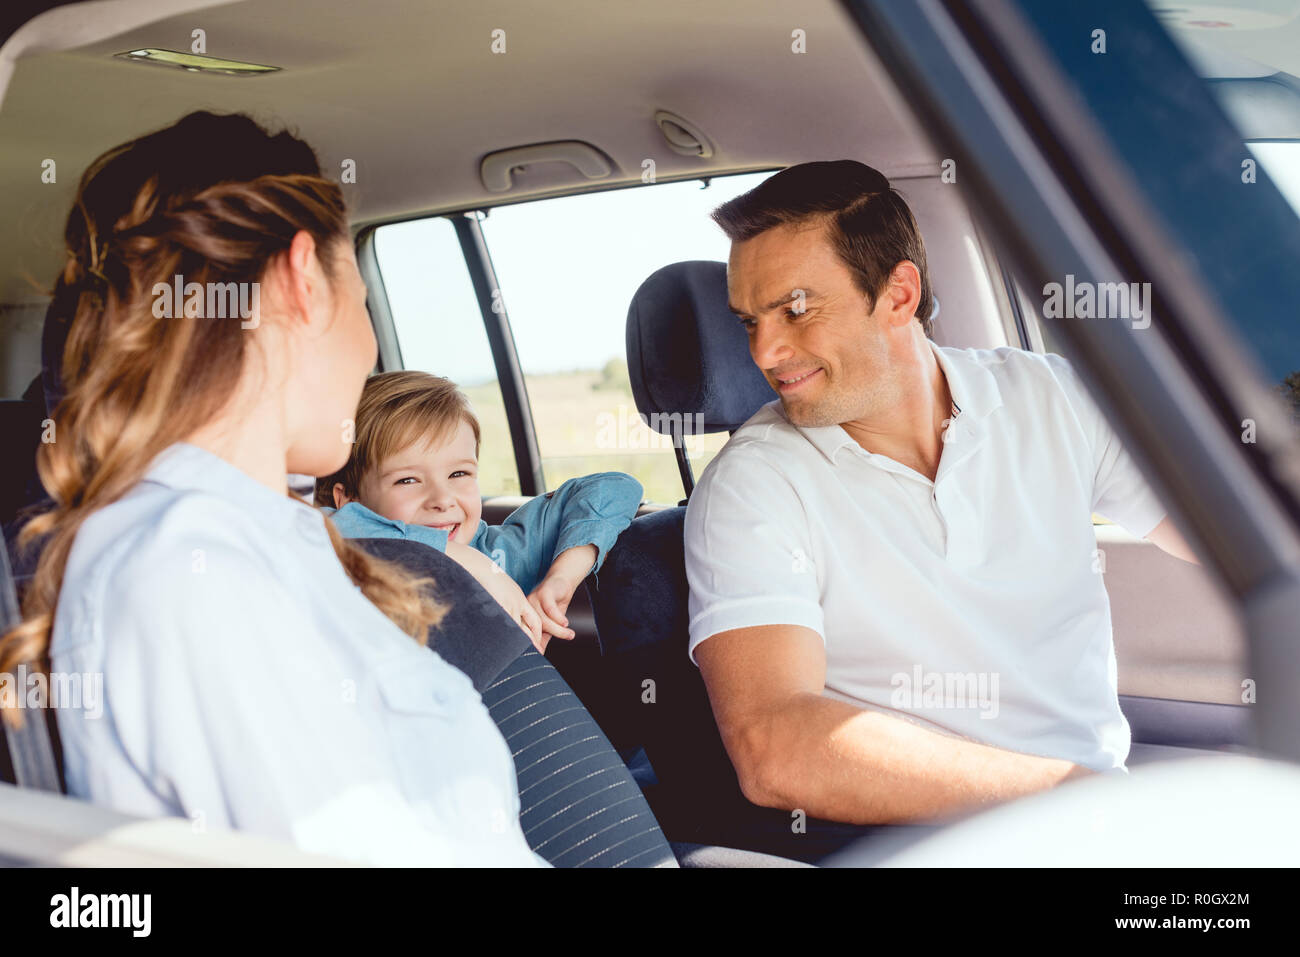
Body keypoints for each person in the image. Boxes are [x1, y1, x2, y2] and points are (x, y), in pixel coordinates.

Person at [0, 111, 544, 866]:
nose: (370, 345)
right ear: (302, 280)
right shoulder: (194, 568)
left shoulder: (251, 537)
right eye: (361, 297)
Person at [684, 160, 1200, 828]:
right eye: (750, 321)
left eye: (796, 309)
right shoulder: (753, 486)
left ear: (899, 295)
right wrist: (1082, 802)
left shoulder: (1050, 396)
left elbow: (1230, 532)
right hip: (939, 840)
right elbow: (775, 745)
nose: (765, 351)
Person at [314, 370, 643, 652]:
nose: (442, 499)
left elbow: (616, 488)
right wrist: (465, 560)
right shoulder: (350, 559)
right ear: (348, 498)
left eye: (458, 473)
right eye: (407, 480)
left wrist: (563, 577)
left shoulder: (503, 554)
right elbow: (329, 525)